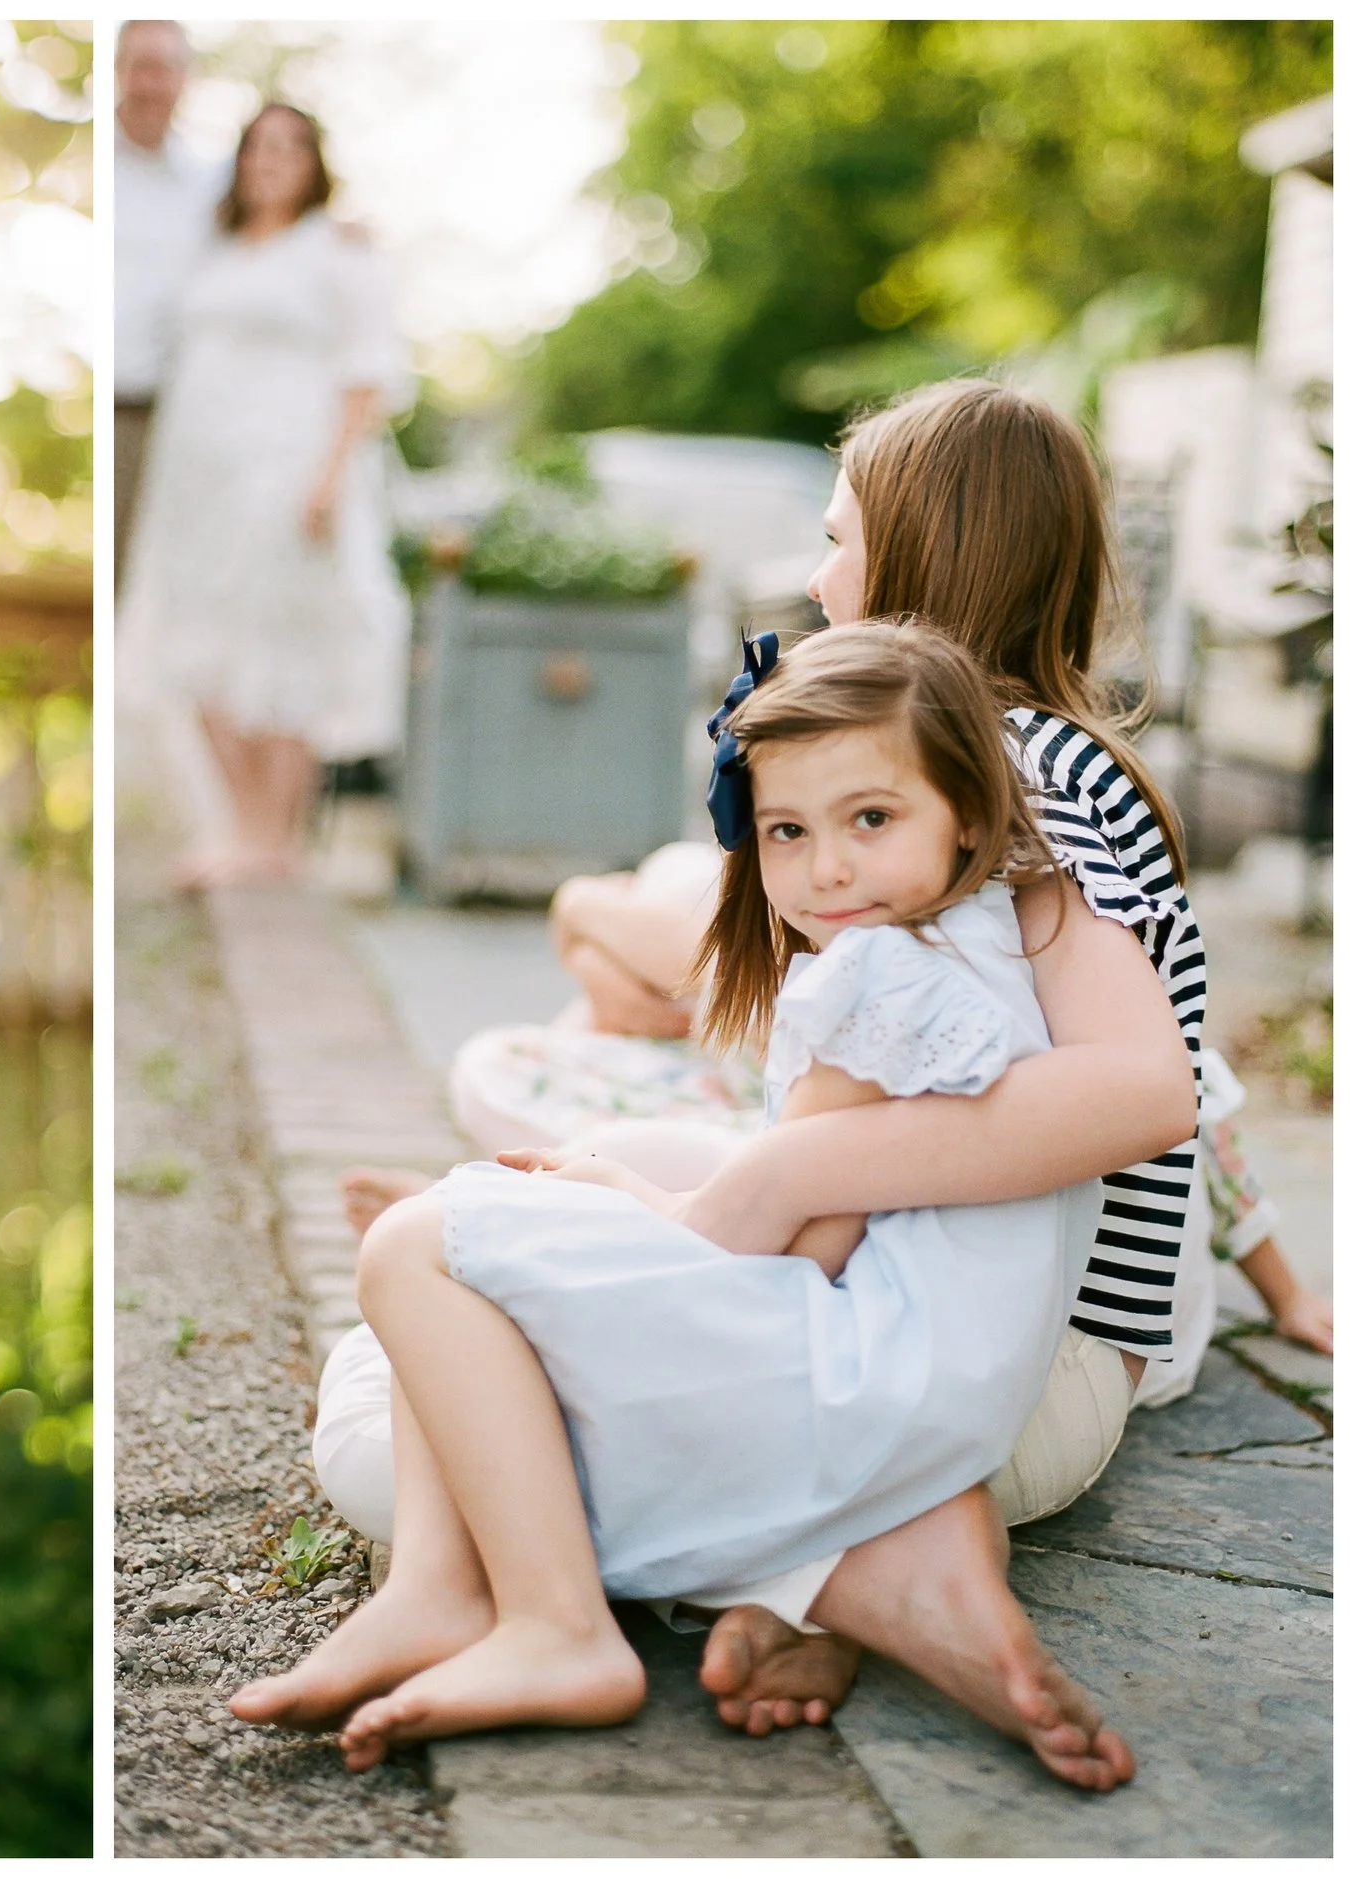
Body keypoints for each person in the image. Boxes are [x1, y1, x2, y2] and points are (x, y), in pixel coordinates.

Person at [324, 377, 1232, 1736]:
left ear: (924, 555)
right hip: (973, 1317)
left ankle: (828, 1565)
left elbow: (1141, 1088)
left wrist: (773, 1180)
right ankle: (808, 1572)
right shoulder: (1015, 758)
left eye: (835, 537)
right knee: (562, 1181)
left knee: (383, 1417)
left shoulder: (1016, 770)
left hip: (1027, 1373)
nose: (814, 579)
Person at [236, 621, 1142, 1791]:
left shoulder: (875, 980)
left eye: (870, 818)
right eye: (786, 831)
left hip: (858, 1372)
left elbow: (787, 1248)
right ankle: (465, 1591)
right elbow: (829, 1214)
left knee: (421, 1246)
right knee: (490, 1235)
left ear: (967, 810)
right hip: (942, 1379)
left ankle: (544, 1621)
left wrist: (616, 1201)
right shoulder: (976, 945)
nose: (827, 868)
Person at [121, 101, 412, 884]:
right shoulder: (212, 247)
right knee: (198, 650)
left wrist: (328, 478)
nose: (270, 161)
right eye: (257, 147)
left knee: (285, 648)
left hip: (288, 475)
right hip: (197, 486)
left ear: (314, 164)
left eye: (289, 148)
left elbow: (366, 373)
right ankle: (244, 826)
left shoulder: (338, 252)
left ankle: (274, 836)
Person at [111, 20, 220, 572]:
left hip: (173, 419)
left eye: (163, 69)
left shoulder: (211, 184)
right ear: (117, 70)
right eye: (139, 66)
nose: (150, 84)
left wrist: (342, 230)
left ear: (185, 79)